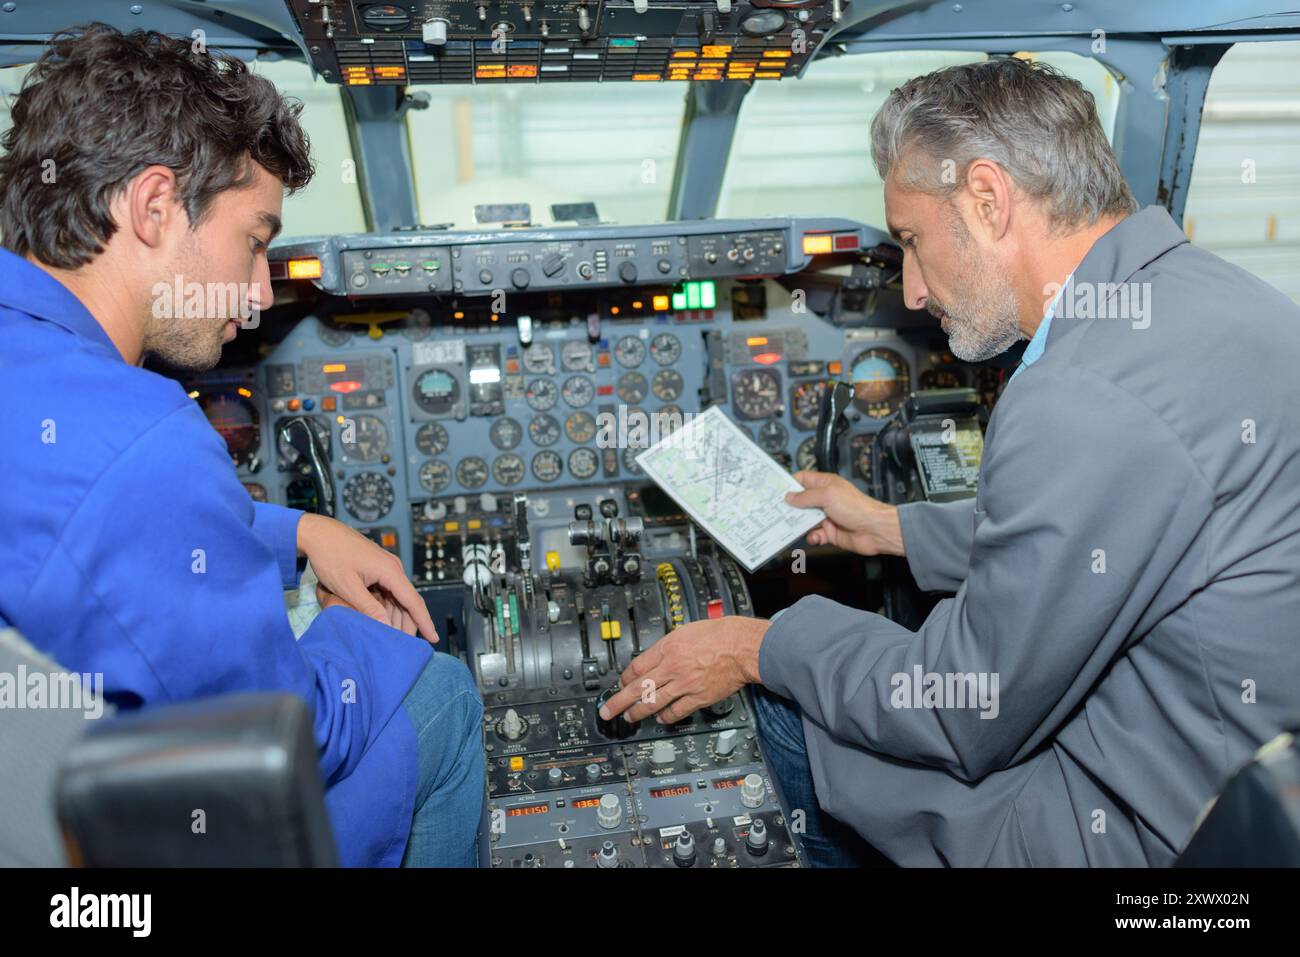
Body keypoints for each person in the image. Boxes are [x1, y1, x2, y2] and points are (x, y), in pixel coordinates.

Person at [598, 58, 1300, 866]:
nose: (911, 290)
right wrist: (891, 527)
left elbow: (962, 706)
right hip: (1214, 768)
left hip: (1139, 830)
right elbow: (1105, 536)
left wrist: (755, 645)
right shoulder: (1223, 299)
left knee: (778, 725)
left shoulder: (1081, 392)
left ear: (988, 200)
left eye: (911, 240)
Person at [0, 25, 483, 867]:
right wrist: (367, 635)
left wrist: (297, 532)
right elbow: (295, 731)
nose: (260, 293)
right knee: (441, 693)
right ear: (154, 207)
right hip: (146, 845)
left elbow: (76, 523)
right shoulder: (143, 439)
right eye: (256, 241)